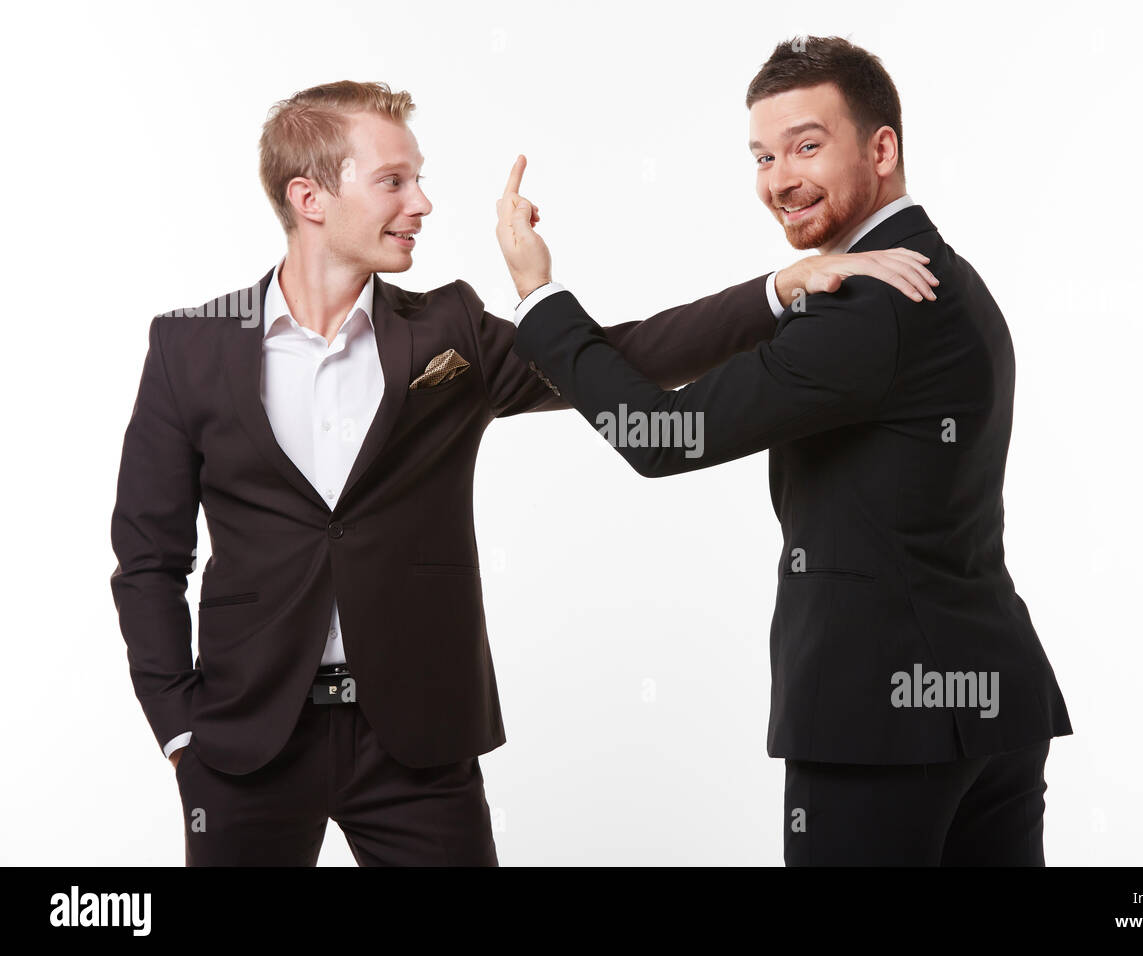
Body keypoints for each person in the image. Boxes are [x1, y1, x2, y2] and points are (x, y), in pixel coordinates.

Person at [109, 78, 935, 866]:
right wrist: (180, 728)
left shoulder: (450, 330)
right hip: (245, 742)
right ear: (309, 197)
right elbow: (148, 559)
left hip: (417, 743)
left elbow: (620, 355)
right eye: (395, 181)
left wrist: (778, 290)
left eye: (420, 180)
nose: (423, 204)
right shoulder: (190, 347)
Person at [497, 37, 1073, 866]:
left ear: (882, 149)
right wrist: (782, 287)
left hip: (882, 725)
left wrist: (538, 296)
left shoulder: (870, 309)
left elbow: (663, 437)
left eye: (807, 145)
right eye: (763, 156)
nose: (779, 179)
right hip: (995, 704)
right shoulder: (947, 276)